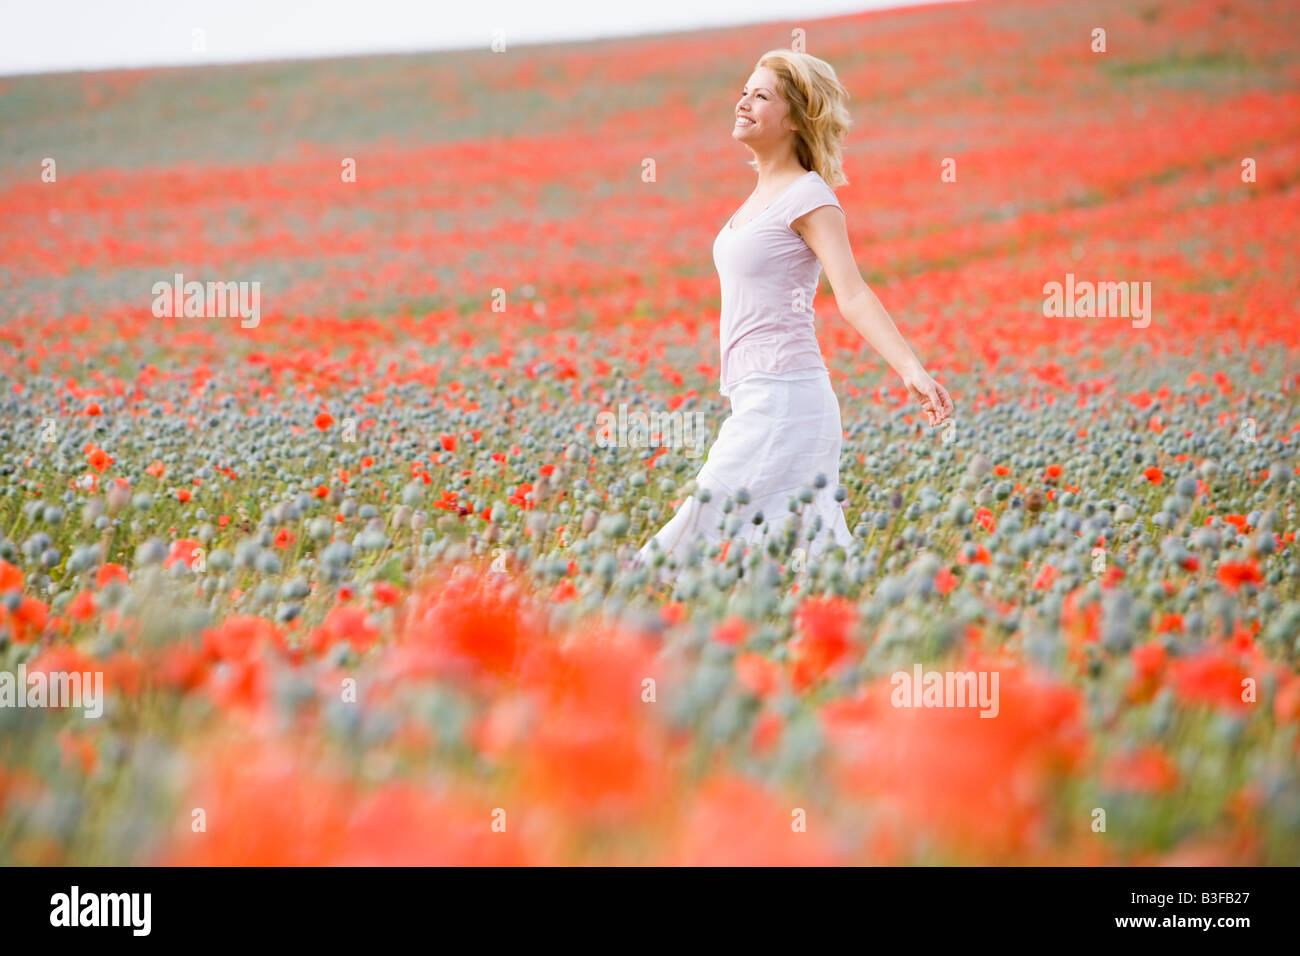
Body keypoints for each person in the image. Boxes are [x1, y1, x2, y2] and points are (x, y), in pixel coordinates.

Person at [632, 49, 953, 582]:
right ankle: (840, 635)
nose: (743, 102)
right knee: (795, 545)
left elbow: (850, 293)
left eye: (761, 96)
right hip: (759, 393)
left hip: (786, 397)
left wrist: (911, 369)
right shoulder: (759, 196)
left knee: (704, 518)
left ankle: (618, 606)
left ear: (796, 118)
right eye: (744, 91)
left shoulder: (809, 197)